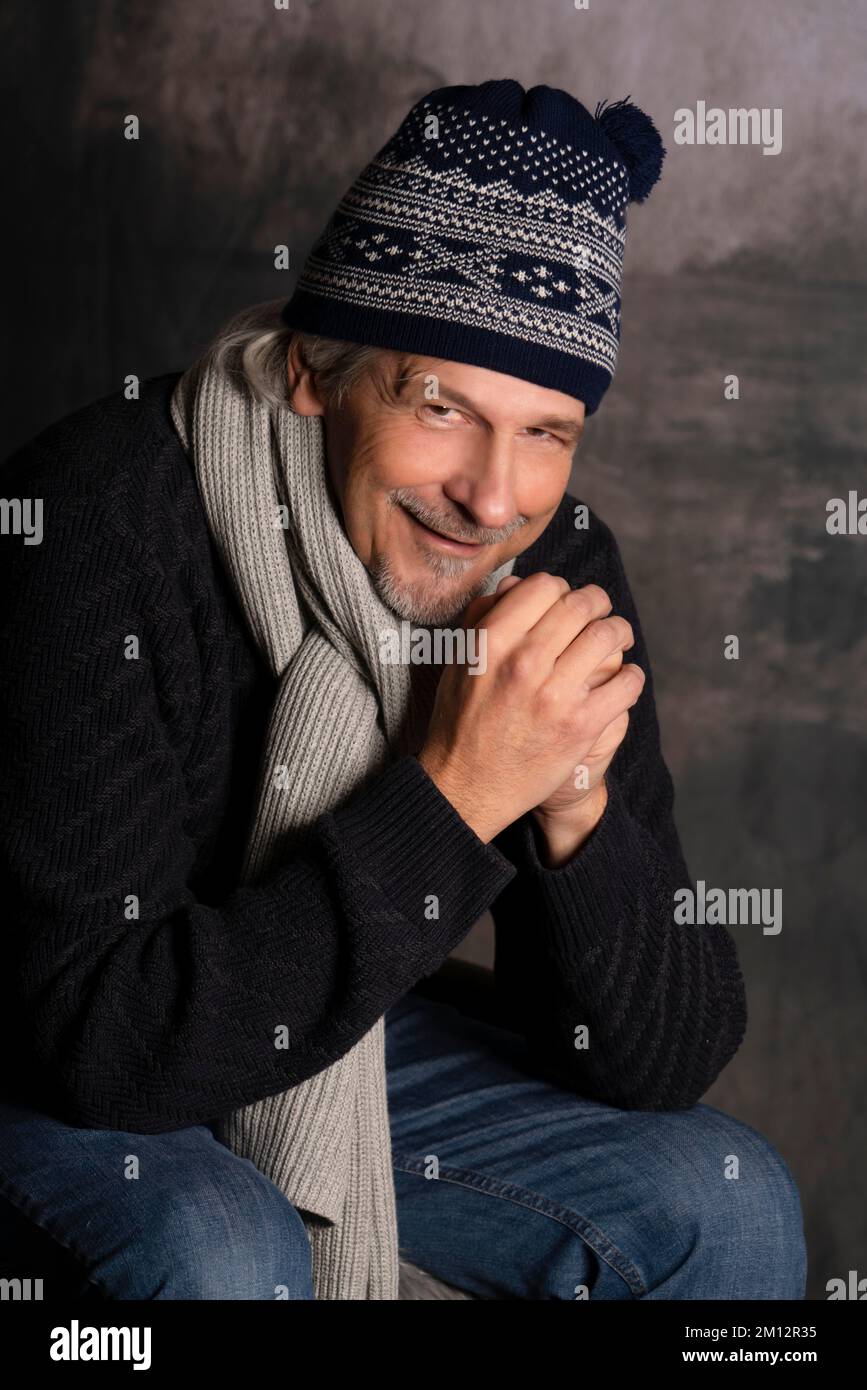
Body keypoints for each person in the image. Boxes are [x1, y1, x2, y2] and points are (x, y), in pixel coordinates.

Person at [0, 78, 806, 1300]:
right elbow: (98, 1046)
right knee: (220, 1253)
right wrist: (453, 798)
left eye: (548, 432)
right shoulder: (91, 525)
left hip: (323, 1012)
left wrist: (576, 812)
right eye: (442, 406)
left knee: (723, 1207)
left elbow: (665, 1054)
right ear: (319, 372)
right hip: (58, 1031)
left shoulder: (546, 560)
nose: (492, 497)